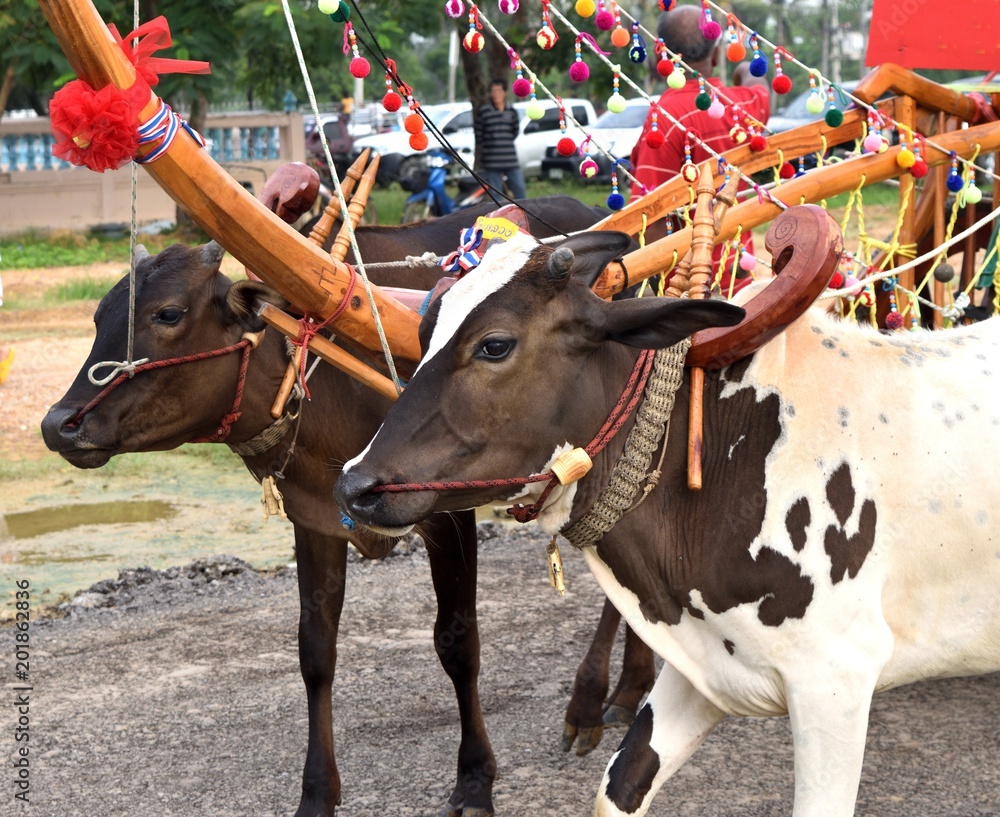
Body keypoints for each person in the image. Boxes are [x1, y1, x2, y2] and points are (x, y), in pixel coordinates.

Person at [629, 4, 770, 293]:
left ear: (660, 54)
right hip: (737, 275)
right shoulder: (744, 107)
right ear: (717, 53)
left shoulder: (665, 118)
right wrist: (744, 67)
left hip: (685, 288)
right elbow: (759, 84)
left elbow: (649, 215)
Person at [475, 78, 527, 201]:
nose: (496, 94)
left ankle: (523, 215)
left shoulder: (512, 112)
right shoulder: (484, 112)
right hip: (491, 160)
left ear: (505, 92)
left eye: (499, 90)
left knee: (520, 190)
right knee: (496, 195)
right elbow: (479, 135)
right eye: (493, 91)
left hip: (510, 159)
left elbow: (515, 131)